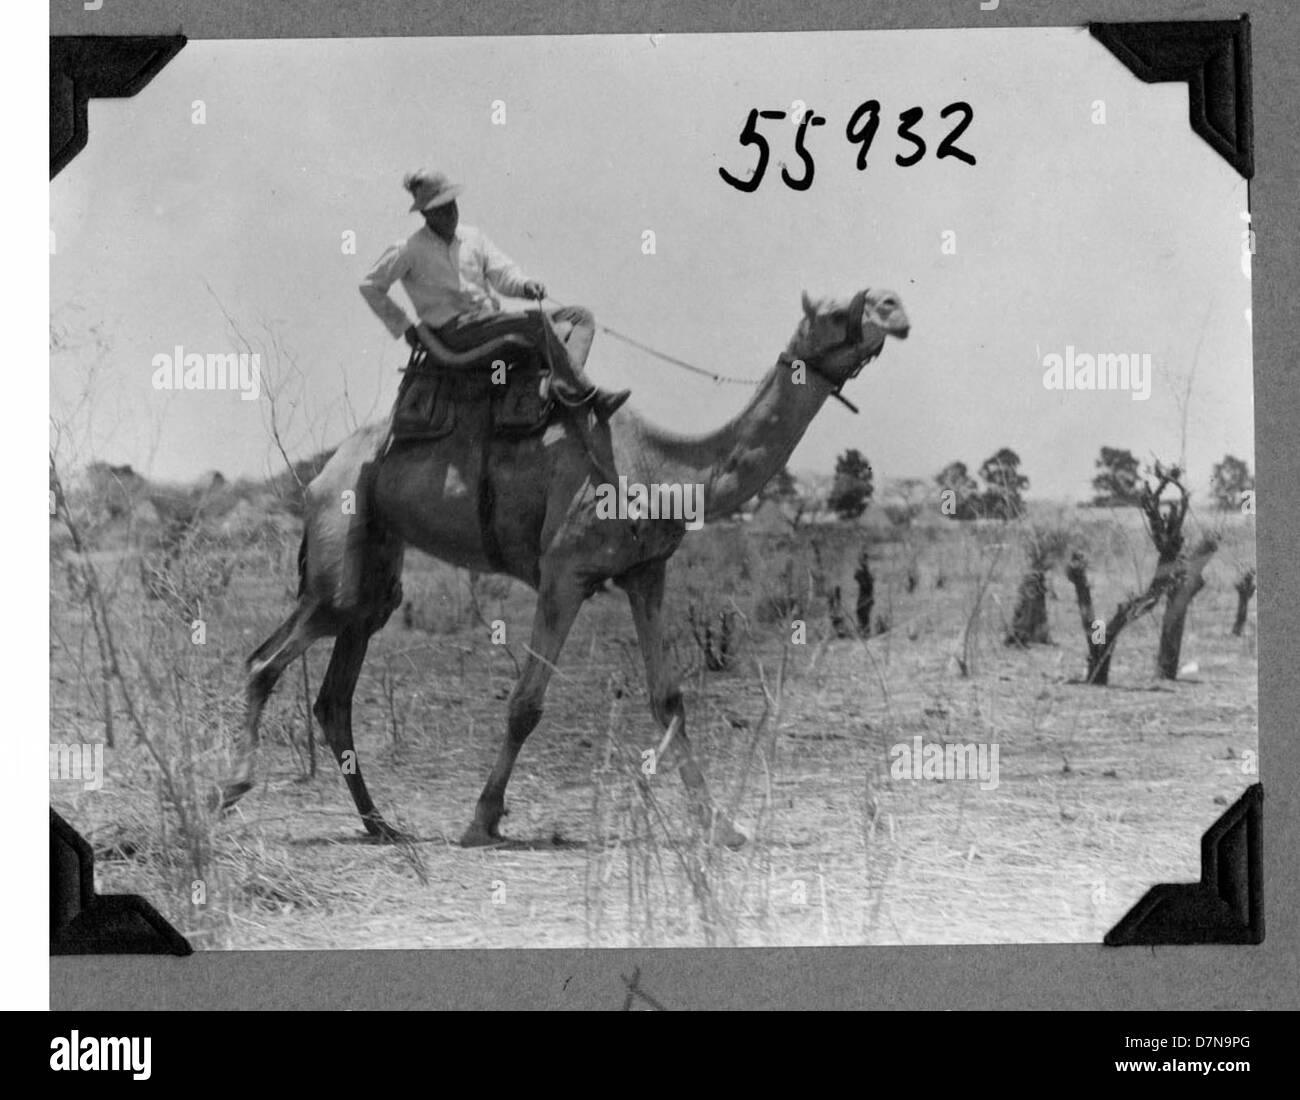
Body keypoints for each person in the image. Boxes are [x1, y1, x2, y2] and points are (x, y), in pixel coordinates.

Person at [360, 169, 630, 418]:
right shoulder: (409, 249)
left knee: (580, 316)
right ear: (426, 214)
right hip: (456, 333)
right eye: (441, 209)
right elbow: (371, 285)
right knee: (536, 322)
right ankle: (586, 395)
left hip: (490, 322)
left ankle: (564, 384)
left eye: (452, 204)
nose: (450, 213)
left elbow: (503, 274)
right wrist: (404, 325)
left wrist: (525, 286)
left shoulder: (472, 237)